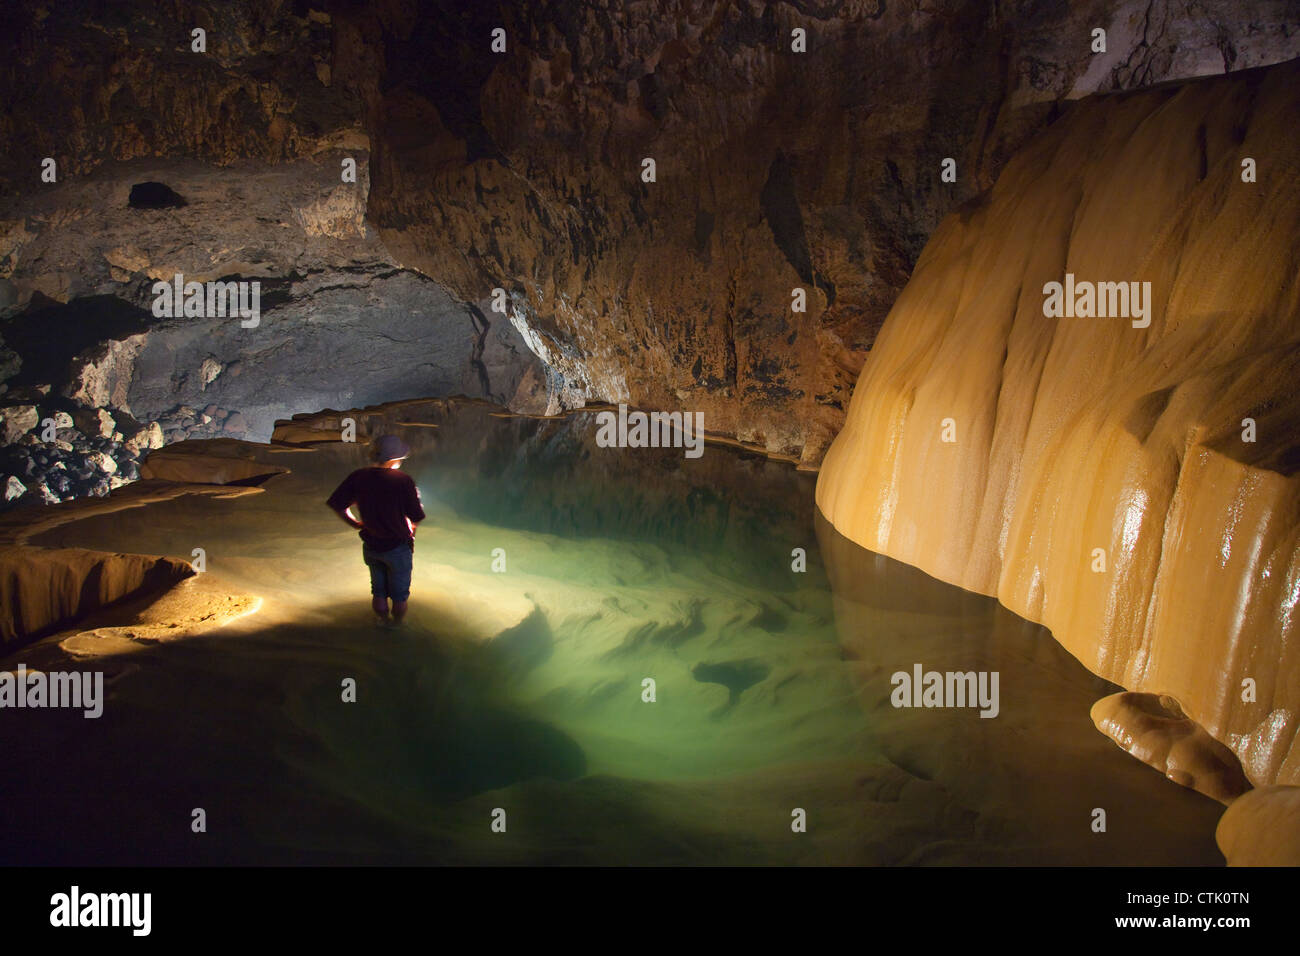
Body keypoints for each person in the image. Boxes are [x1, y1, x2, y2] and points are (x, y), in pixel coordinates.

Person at [326, 434, 426, 627]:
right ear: (396, 458)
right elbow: (416, 517)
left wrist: (356, 523)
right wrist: (411, 531)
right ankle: (397, 625)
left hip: (371, 546)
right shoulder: (403, 481)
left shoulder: (359, 477)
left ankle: (380, 621)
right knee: (399, 595)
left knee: (378, 591)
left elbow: (337, 505)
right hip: (397, 547)